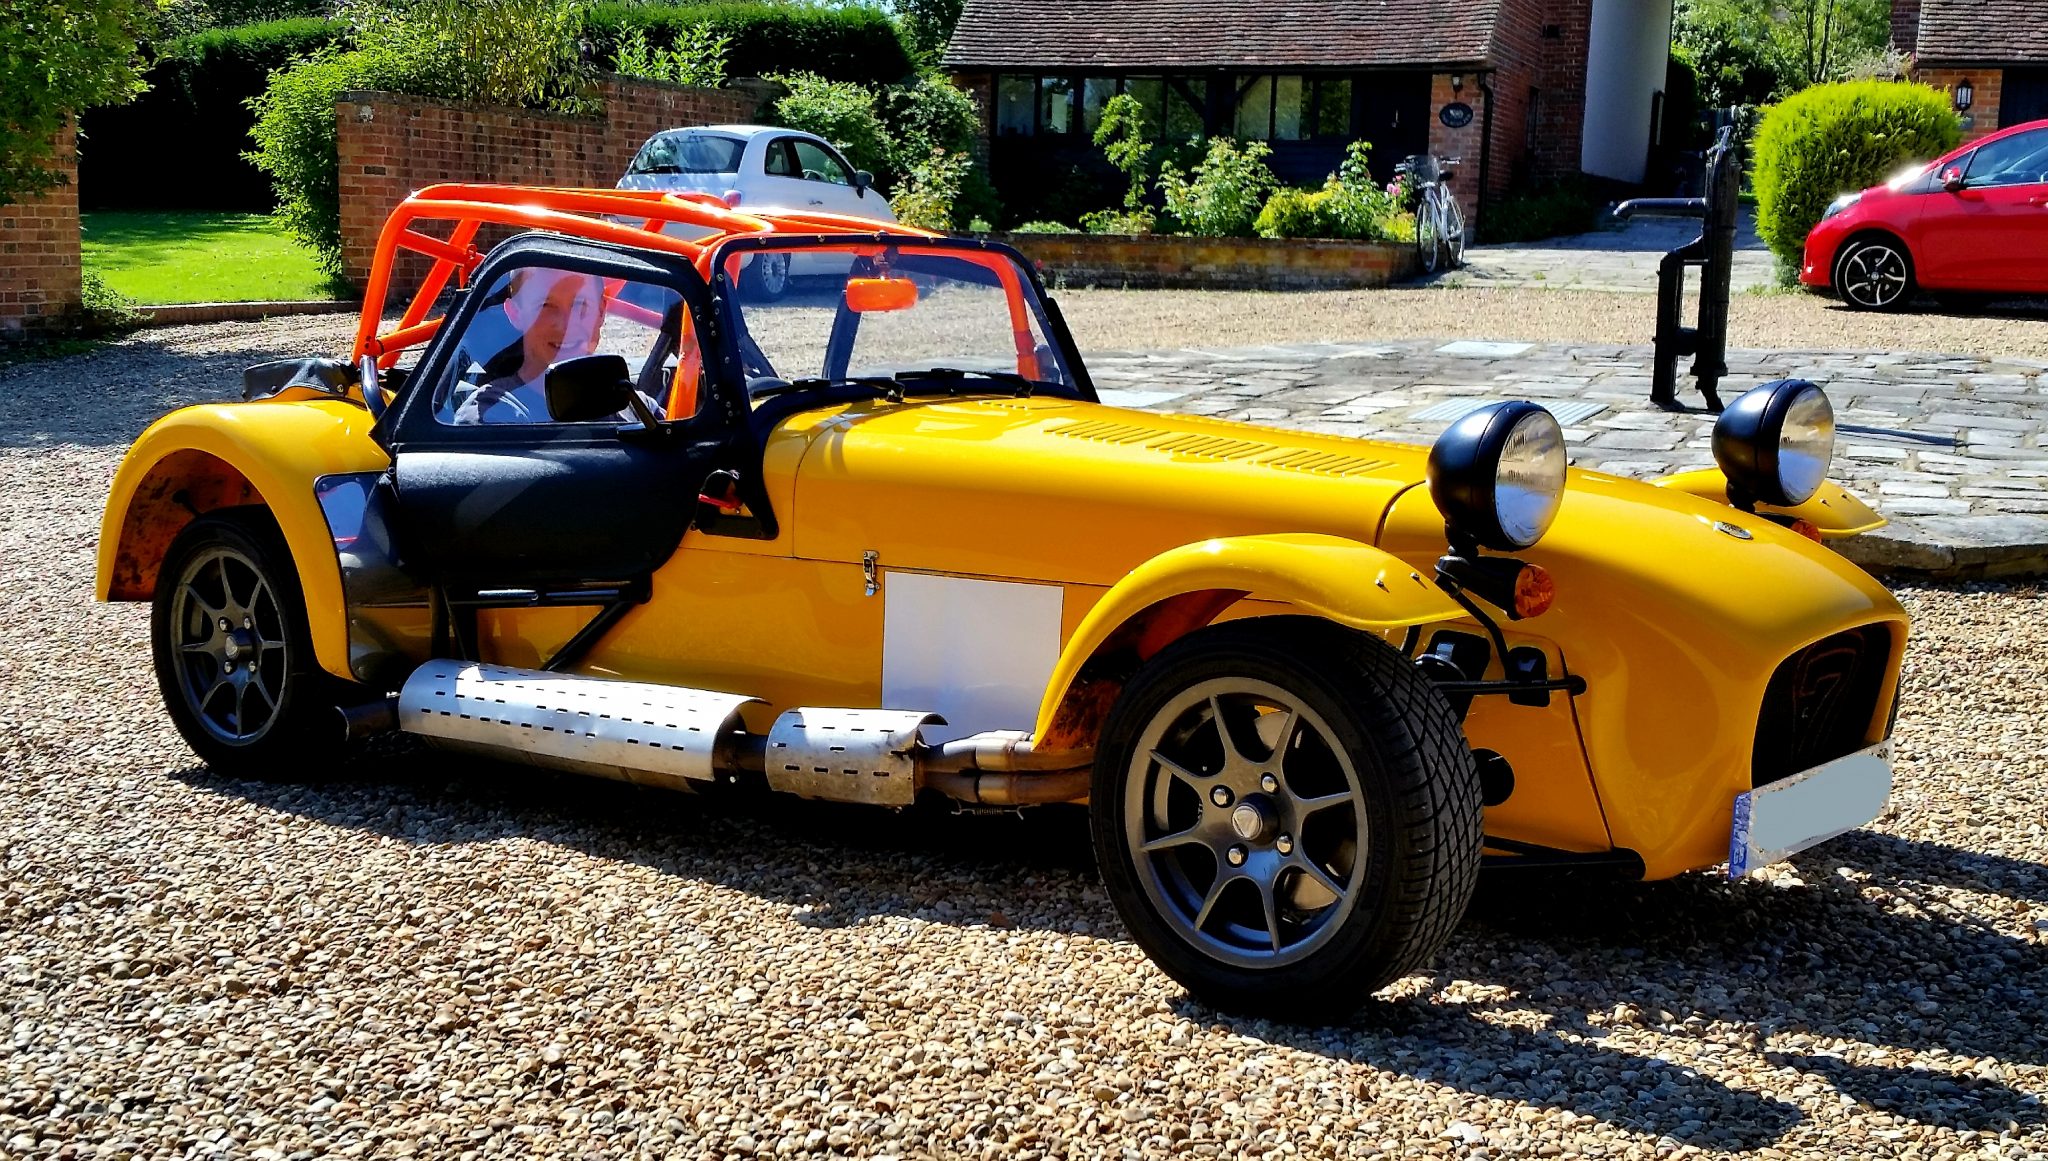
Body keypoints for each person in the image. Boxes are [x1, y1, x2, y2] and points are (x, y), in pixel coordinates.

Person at [449, 268, 604, 424]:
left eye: (579, 303)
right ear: (515, 313)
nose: (566, 324)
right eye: (545, 305)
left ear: (601, 311)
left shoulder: (620, 396)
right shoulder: (494, 413)